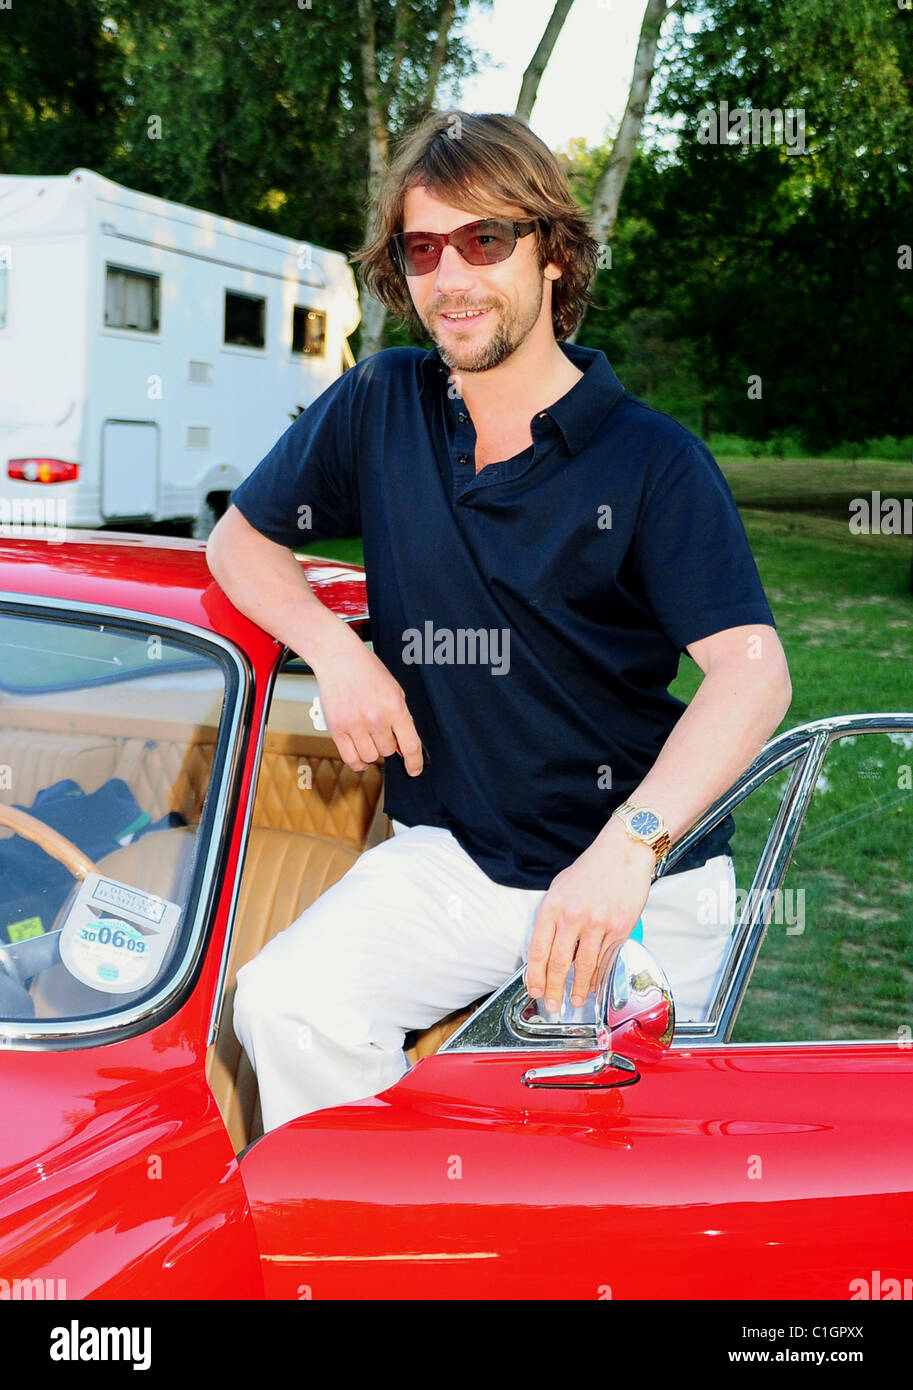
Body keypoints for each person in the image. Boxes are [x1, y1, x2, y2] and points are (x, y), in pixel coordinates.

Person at [206, 110, 791, 1133]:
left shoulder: (651, 462)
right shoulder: (382, 402)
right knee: (286, 1006)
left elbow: (752, 676)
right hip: (457, 859)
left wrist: (630, 847)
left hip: (636, 882)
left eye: (485, 240)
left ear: (552, 256)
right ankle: (379, 1253)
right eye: (421, 249)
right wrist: (337, 652)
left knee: (585, 1161)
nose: (452, 277)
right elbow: (238, 545)